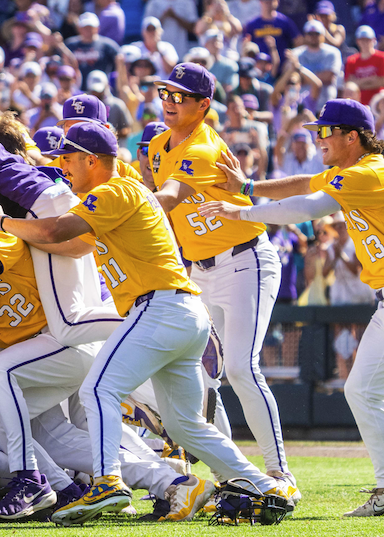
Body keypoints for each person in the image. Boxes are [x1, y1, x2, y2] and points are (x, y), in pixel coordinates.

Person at [0, 122, 293, 526]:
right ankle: (264, 486)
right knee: (183, 425)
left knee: (97, 387)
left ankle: (109, 481)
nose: (63, 167)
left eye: (69, 159)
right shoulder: (117, 193)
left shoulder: (113, 191)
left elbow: (55, 229)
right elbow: (68, 243)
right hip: (180, 313)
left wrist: (3, 222)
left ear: (92, 160)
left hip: (160, 308)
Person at [198, 99, 384, 518]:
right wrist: (248, 186)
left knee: (364, 391)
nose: (316, 138)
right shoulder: (348, 171)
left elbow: (309, 207)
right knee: (363, 390)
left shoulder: (370, 171)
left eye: (324, 132)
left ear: (351, 137)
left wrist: (242, 210)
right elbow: (303, 185)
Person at [146, 62, 296, 495]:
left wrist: (116, 208)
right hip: (200, 269)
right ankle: (233, 473)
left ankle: (279, 473)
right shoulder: (157, 146)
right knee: (202, 376)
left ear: (203, 105)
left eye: (180, 96)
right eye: (165, 92)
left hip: (244, 260)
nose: (170, 102)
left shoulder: (204, 146)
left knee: (242, 368)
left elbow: (169, 199)